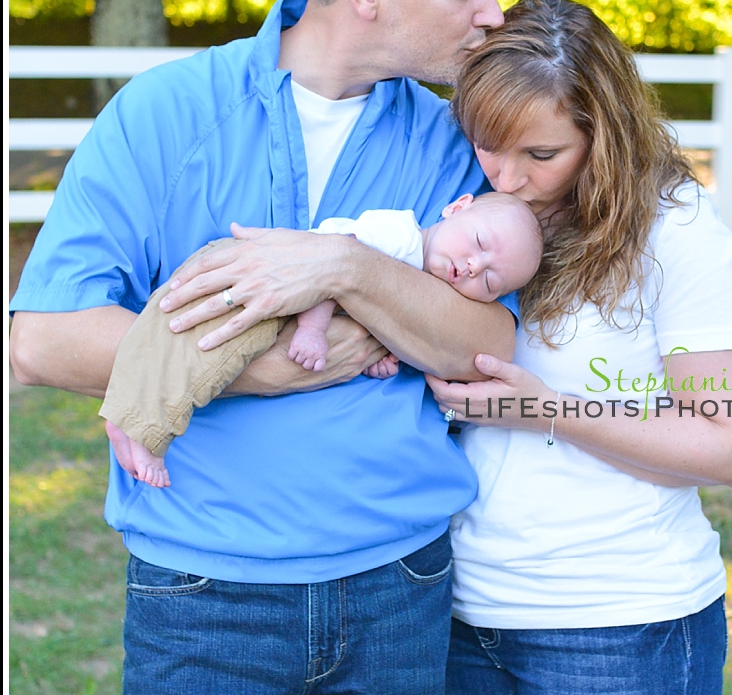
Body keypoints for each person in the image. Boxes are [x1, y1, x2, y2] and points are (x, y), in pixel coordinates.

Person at [9, 0, 519, 695]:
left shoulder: (444, 141)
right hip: (207, 597)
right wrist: (270, 366)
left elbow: (482, 346)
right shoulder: (166, 112)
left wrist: (347, 270)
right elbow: (46, 337)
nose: (493, 11)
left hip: (397, 589)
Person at [424, 0, 732, 695]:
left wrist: (541, 407)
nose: (512, 175)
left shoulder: (678, 235)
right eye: (490, 146)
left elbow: (731, 446)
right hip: (465, 623)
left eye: (542, 153)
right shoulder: (464, 207)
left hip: (618, 631)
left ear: (604, 128)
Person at [101, 191, 543, 488]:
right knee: (205, 350)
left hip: (276, 296)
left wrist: (379, 358)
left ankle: (132, 416)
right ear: (456, 207)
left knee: (186, 342)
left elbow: (371, 310)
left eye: (489, 281)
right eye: (478, 243)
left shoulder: (423, 280)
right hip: (251, 276)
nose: (471, 267)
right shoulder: (400, 237)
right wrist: (313, 331)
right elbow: (327, 268)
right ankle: (143, 430)